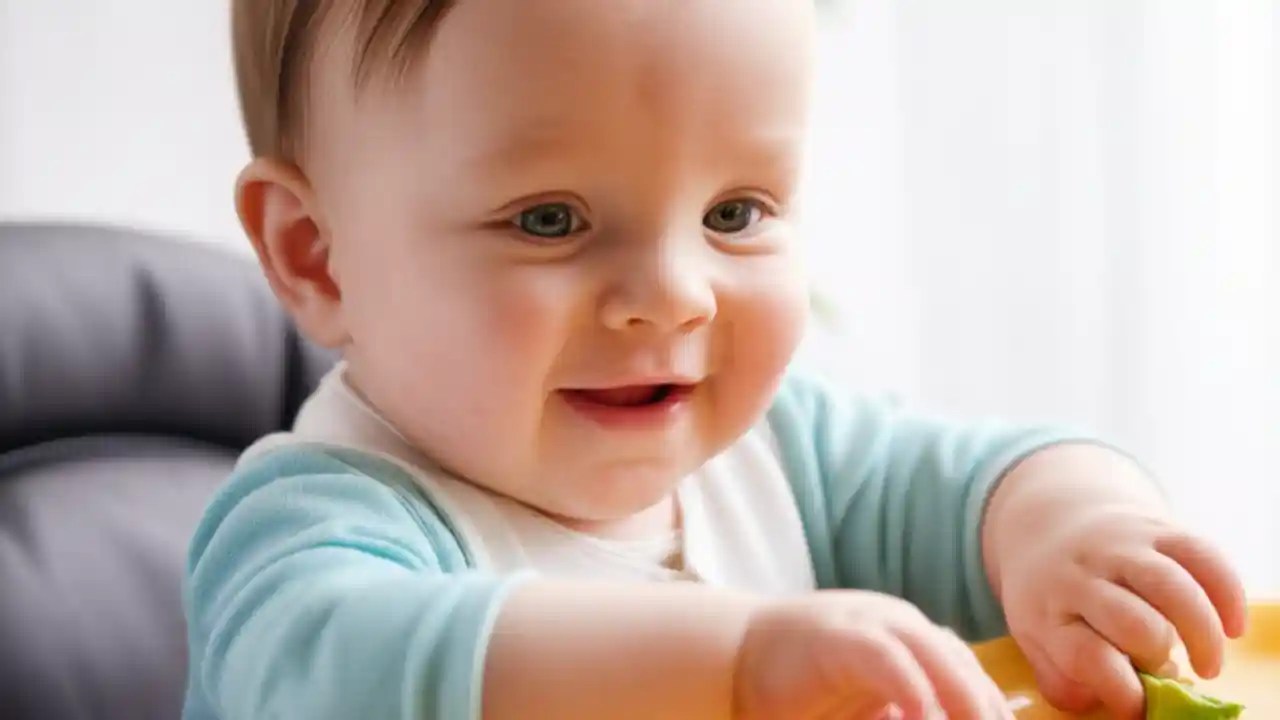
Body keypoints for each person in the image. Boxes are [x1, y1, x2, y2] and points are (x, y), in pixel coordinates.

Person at [183, 1, 1248, 718]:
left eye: (734, 211)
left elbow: (986, 477)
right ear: (315, 255)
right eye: (549, 219)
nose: (672, 296)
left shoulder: (781, 454)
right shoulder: (311, 538)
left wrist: (1074, 530)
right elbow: (361, 664)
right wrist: (732, 665)